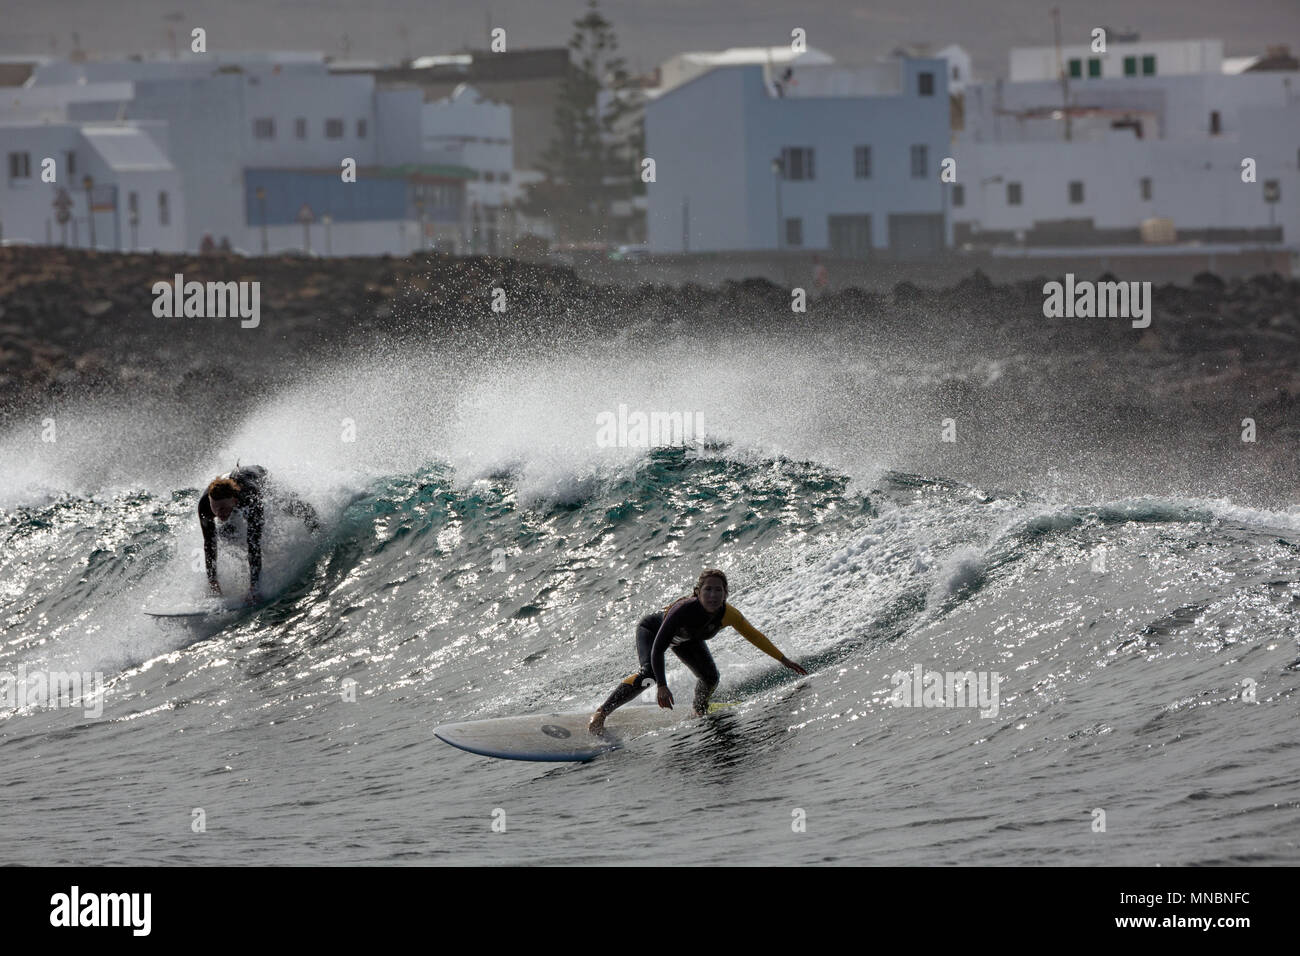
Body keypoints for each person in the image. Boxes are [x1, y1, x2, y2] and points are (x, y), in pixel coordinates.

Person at [588, 568, 807, 734]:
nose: (713, 595)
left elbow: (755, 636)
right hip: (653, 631)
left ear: (726, 593)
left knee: (711, 677)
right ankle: (601, 713)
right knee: (650, 674)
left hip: (686, 640)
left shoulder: (729, 614)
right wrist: (662, 686)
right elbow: (658, 649)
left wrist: (783, 659)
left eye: (718, 590)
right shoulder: (682, 610)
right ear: (698, 592)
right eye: (708, 589)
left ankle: (698, 709)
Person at [199, 464, 320, 604]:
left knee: (288, 507)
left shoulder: (251, 498)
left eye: (223, 509)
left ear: (234, 501)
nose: (219, 513)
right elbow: (209, 544)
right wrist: (213, 582)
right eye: (216, 509)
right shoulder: (205, 506)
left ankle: (316, 525)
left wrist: (254, 588)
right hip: (232, 486)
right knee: (225, 534)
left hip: (258, 478)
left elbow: (253, 543)